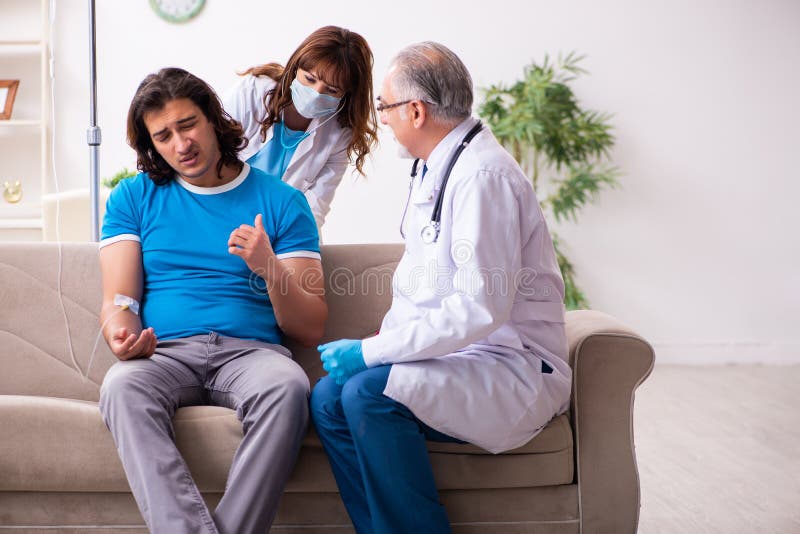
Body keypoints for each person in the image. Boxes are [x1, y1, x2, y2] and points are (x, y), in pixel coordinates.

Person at [309, 42, 573, 533]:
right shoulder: (438, 165)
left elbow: (479, 308)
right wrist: (382, 352)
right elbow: (423, 293)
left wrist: (372, 353)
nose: (383, 120)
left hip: (513, 365)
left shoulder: (483, 177)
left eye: (385, 107)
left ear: (416, 110)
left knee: (367, 393)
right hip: (464, 357)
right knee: (328, 398)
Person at [98, 67, 327, 534]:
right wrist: (118, 332)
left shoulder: (283, 202)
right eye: (163, 136)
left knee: (287, 388)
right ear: (150, 144)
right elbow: (119, 299)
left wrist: (268, 265)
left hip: (253, 354)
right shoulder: (133, 198)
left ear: (213, 119)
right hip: (164, 352)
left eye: (188, 125)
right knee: (120, 387)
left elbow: (309, 328)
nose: (180, 144)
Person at [224, 25, 378, 231]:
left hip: (281, 228)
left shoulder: (340, 133)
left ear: (347, 95)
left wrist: (293, 246)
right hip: (223, 210)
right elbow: (214, 155)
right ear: (295, 68)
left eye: (331, 90)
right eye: (310, 79)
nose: (316, 92)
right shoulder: (254, 91)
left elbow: (315, 206)